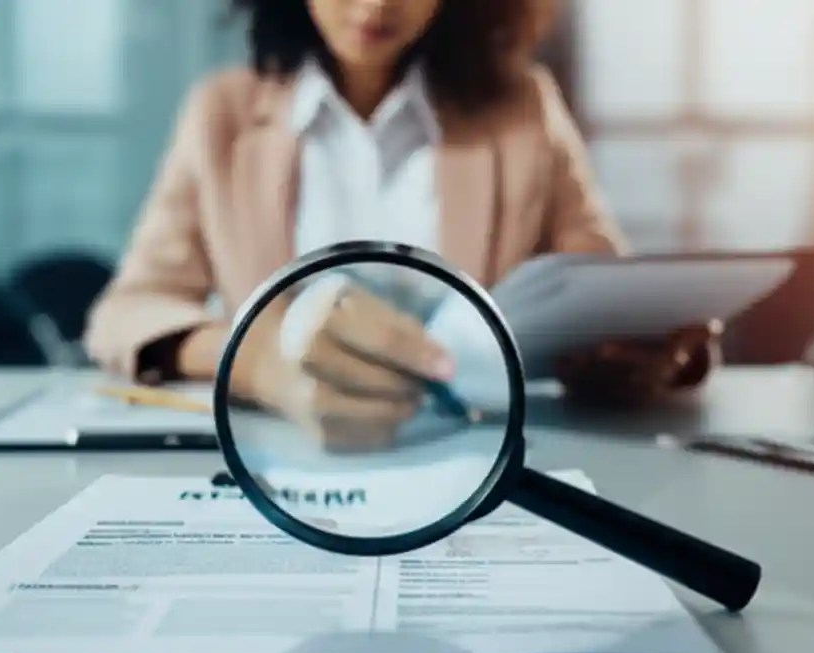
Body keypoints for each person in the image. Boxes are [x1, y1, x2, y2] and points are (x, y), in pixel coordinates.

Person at [85, 0, 717, 449]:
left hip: (486, 458)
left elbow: (596, 276)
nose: (376, 4)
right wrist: (264, 365)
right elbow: (131, 312)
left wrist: (628, 349)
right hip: (285, 457)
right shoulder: (221, 114)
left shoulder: (522, 108)